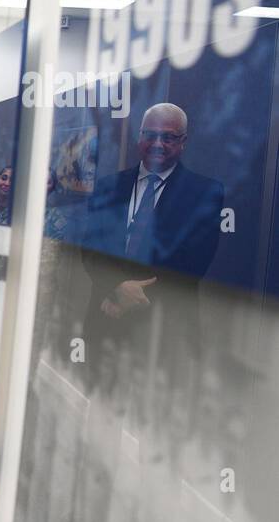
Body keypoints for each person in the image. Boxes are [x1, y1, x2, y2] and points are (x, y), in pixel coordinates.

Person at [80, 103, 223, 383]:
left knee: (147, 420)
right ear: (139, 138)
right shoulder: (109, 187)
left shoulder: (205, 193)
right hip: (104, 315)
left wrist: (130, 297)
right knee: (94, 407)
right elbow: (90, 251)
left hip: (161, 330)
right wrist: (117, 288)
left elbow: (193, 264)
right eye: (150, 134)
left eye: (168, 137)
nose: (158, 143)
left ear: (183, 142)